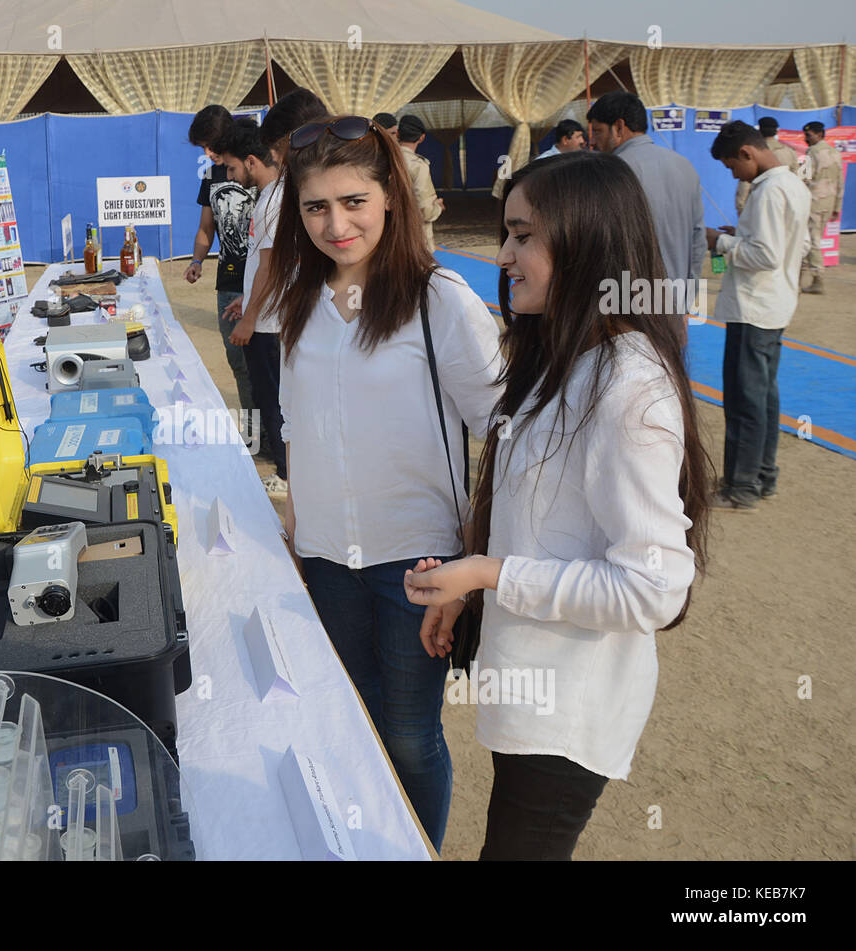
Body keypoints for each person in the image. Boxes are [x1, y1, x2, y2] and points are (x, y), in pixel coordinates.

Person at [402, 150, 711, 860]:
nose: (504, 255)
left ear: (586, 241)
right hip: (531, 682)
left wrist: (487, 575)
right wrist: (473, 589)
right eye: (507, 234)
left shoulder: (628, 387)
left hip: (569, 707)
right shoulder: (558, 357)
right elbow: (535, 514)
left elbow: (652, 587)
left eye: (522, 235)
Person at [256, 114, 504, 851]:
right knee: (353, 721)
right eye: (316, 206)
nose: (336, 223)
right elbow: (295, 426)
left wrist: (469, 568)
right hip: (330, 559)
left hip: (417, 563)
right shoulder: (298, 305)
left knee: (408, 733)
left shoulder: (441, 301)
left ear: (390, 197)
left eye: (353, 201)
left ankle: (417, 847)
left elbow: (505, 433)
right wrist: (299, 533)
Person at [706, 121, 811, 511]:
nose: (734, 174)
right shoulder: (794, 185)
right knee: (764, 398)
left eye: (733, 166)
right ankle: (762, 475)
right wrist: (742, 236)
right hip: (775, 305)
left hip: (754, 308)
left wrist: (722, 242)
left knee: (743, 401)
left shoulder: (768, 192)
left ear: (748, 153)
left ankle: (741, 487)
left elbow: (763, 256)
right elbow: (798, 245)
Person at [219, 118, 288, 497]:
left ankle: (286, 472)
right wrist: (247, 298)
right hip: (264, 315)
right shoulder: (268, 198)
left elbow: (273, 264)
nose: (230, 176)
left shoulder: (274, 199)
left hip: (270, 323)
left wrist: (249, 318)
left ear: (250, 160)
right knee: (271, 395)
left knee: (274, 399)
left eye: (231, 168)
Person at [587, 92, 705, 293]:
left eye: (598, 132)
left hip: (624, 301)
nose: (593, 142)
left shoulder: (611, 171)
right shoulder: (684, 166)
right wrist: (686, 301)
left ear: (618, 127)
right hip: (673, 301)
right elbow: (698, 239)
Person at [186, 105, 256, 427]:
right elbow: (206, 228)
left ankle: (276, 430)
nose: (208, 153)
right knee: (237, 360)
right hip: (229, 280)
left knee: (270, 360)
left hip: (263, 279)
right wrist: (197, 260)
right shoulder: (212, 177)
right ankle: (256, 430)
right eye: (203, 148)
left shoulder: (258, 170)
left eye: (210, 145)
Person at [801, 121, 845, 294]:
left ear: (819, 135)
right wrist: (837, 206)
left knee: (812, 241)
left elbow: (803, 179)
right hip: (828, 202)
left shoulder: (812, 152)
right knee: (814, 239)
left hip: (814, 202)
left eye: (809, 135)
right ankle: (806, 274)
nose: (806, 139)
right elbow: (840, 182)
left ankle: (817, 279)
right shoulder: (835, 152)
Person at [396, 114, 444, 251]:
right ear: (422, 138)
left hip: (389, 234)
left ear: (398, 134)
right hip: (414, 238)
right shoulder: (418, 166)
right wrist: (438, 207)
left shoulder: (383, 160)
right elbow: (426, 211)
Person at [734, 117, 799, 215]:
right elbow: (795, 178)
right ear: (776, 132)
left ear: (759, 131)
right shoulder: (790, 152)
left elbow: (745, 182)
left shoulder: (754, 151)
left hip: (759, 203)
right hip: (785, 203)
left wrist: (741, 206)